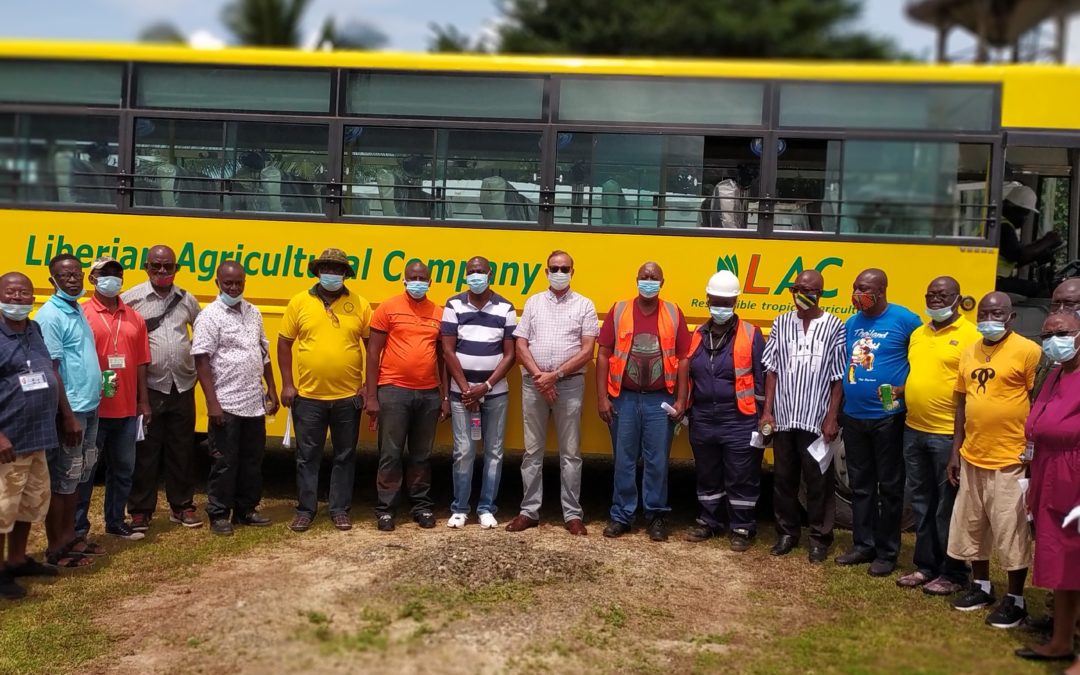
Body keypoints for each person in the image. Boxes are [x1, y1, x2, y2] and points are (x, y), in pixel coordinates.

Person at [948, 292, 1041, 628]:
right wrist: (956, 450)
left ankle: (1016, 598)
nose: (990, 318)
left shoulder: (1030, 352)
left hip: (1010, 458)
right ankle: (981, 586)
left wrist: (1033, 453)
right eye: (985, 312)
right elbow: (962, 403)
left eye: (997, 313)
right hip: (973, 454)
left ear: (1011, 317)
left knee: (1011, 531)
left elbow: (1038, 401)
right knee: (972, 526)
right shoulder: (970, 350)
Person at [896, 277, 981, 594]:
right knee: (920, 503)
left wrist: (961, 444)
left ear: (958, 299)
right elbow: (921, 374)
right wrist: (903, 390)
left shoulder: (971, 336)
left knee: (947, 508)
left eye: (942, 295)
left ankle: (955, 572)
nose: (935, 299)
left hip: (948, 435)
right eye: (930, 294)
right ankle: (926, 567)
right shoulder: (918, 333)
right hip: (914, 430)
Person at [278, 248, 371, 532]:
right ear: (318, 271)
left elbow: (372, 347)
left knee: (345, 455)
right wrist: (288, 383)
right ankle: (306, 510)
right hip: (308, 398)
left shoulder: (360, 303)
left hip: (348, 398)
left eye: (338, 269)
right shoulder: (299, 302)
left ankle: (340, 509)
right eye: (327, 268)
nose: (332, 273)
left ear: (346, 274)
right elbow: (284, 343)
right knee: (308, 456)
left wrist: (368, 385)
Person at [597, 262, 691, 543]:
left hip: (660, 400)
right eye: (644, 277)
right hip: (623, 399)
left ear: (663, 282)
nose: (648, 281)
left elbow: (685, 357)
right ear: (636, 280)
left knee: (657, 461)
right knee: (623, 460)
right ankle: (621, 515)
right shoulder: (619, 310)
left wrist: (682, 398)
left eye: (654, 277)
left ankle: (656, 515)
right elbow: (603, 354)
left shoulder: (673, 312)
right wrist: (602, 397)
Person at [506, 250, 598, 536]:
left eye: (565, 268)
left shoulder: (585, 305)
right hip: (534, 385)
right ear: (546, 271)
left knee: (571, 453)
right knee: (532, 452)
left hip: (569, 385)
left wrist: (555, 376)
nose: (559, 272)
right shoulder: (533, 302)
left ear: (573, 271)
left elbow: (587, 351)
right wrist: (539, 377)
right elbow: (520, 342)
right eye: (554, 268)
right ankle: (528, 511)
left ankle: (572, 514)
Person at [837, 268, 922, 576]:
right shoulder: (853, 322)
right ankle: (863, 545)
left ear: (881, 290)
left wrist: (904, 388)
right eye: (855, 287)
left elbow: (923, 360)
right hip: (855, 415)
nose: (857, 292)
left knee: (889, 486)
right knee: (860, 485)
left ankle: (887, 552)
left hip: (888, 416)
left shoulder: (906, 320)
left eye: (863, 288)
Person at [760, 270, 847, 563]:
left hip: (816, 418)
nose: (801, 293)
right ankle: (787, 532)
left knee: (818, 481)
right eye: (796, 288)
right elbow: (771, 370)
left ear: (820, 292)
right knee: (783, 478)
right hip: (784, 417)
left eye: (807, 289)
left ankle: (819, 538)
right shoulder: (782, 323)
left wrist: (832, 417)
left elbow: (838, 378)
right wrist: (767, 412)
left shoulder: (834, 326)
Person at [193, 262, 278, 536]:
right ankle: (219, 513)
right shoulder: (209, 316)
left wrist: (272, 389)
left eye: (238, 282)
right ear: (217, 283)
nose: (233, 287)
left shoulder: (253, 312)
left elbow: (263, 352)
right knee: (224, 462)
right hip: (226, 403)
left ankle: (246, 509)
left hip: (253, 401)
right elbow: (202, 361)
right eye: (228, 283)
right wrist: (212, 403)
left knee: (252, 460)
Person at [681, 270, 764, 551]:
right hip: (703, 417)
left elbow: (761, 381)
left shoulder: (751, 334)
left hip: (739, 419)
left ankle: (742, 527)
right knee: (707, 473)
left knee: (741, 474)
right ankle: (709, 522)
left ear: (735, 302)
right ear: (707, 299)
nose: (721, 307)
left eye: (726, 302)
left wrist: (763, 419)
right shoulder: (698, 334)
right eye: (716, 300)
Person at [1014, 311, 1080, 664]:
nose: (1054, 340)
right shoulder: (1054, 374)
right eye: (1047, 334)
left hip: (1075, 476)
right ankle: (1061, 639)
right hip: (1049, 471)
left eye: (1063, 332)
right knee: (1064, 565)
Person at [123, 244, 203, 530]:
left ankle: (181, 506)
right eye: (156, 266)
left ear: (176, 268)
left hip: (182, 385)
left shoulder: (187, 300)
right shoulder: (130, 300)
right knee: (146, 449)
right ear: (146, 267)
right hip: (149, 387)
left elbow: (203, 333)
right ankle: (140, 509)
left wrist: (189, 355)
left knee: (182, 448)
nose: (162, 271)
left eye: (168, 266)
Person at [366, 261, 447, 531]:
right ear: (404, 280)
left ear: (430, 282)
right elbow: (373, 353)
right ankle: (386, 509)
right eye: (413, 277)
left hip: (428, 394)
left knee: (421, 455)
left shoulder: (439, 312)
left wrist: (444, 396)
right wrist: (372, 395)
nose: (417, 281)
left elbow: (442, 359)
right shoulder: (387, 308)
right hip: (392, 391)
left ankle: (421, 507)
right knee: (390, 452)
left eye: (422, 277)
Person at [35, 254, 103, 567]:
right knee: (63, 478)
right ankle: (57, 547)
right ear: (53, 281)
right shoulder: (51, 315)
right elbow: (53, 369)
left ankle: (72, 536)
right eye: (65, 275)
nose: (72, 279)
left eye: (76, 273)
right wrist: (67, 416)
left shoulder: (76, 309)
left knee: (77, 475)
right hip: (72, 411)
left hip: (89, 407)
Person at [77, 256, 151, 542]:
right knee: (86, 471)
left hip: (126, 409)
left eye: (117, 273)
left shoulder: (134, 317)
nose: (112, 278)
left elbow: (142, 362)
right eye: (105, 273)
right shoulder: (82, 313)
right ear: (93, 279)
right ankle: (78, 528)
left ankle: (116, 521)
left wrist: (143, 401)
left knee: (123, 470)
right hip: (92, 408)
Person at [0, 272, 64, 599]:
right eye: (11, 293)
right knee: (2, 509)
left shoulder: (34, 328)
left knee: (28, 505)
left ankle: (17, 559)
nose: (18, 298)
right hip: (8, 441)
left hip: (37, 434)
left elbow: (48, 371)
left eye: (24, 293)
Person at [441, 257, 517, 529]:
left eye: (480, 272)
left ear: (490, 274)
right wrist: (465, 389)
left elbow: (510, 355)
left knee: (494, 452)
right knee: (464, 451)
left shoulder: (506, 307)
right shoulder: (453, 305)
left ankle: (486, 507)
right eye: (471, 272)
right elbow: (448, 351)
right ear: (465, 276)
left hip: (495, 393)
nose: (476, 276)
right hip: (462, 394)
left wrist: (484, 387)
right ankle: (460, 508)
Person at [996, 185, 1061, 297]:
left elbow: (1014, 258)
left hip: (996, 278)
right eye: (1024, 213)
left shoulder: (1000, 223)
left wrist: (1039, 254)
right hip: (996, 281)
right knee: (1041, 290)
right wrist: (1047, 241)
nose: (1025, 219)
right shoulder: (1003, 227)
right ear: (1011, 207)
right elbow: (1019, 255)